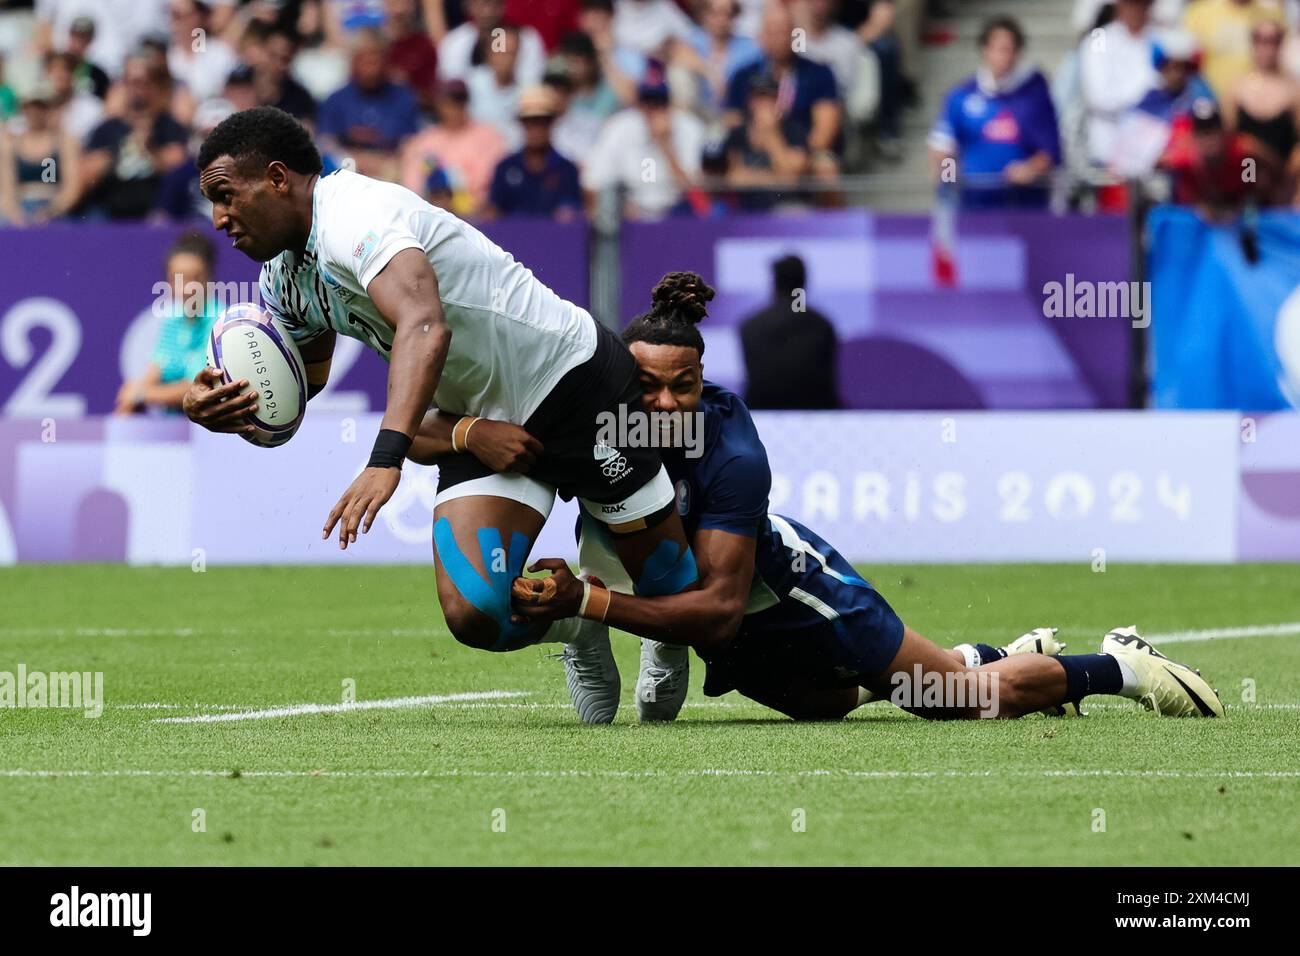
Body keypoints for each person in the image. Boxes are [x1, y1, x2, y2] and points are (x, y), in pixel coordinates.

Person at [504, 273, 1225, 725]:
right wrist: (463, 433)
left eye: (682, 386)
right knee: (822, 706)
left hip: (783, 593)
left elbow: (720, 609)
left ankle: (1119, 666)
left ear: (703, 379)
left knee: (963, 701)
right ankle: (985, 654)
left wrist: (588, 605)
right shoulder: (596, 409)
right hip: (713, 616)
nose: (663, 403)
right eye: (646, 386)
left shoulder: (731, 452)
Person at [185, 106, 700, 661]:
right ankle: (580, 626)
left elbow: (426, 324)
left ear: (278, 178)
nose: (217, 218)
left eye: (225, 195)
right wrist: (222, 405)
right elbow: (297, 388)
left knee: (672, 588)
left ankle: (652, 628)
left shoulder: (355, 214)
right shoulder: (284, 277)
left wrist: (387, 458)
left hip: (573, 382)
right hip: (479, 419)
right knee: (475, 613)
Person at [928, 16, 1060, 209]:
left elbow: (1052, 151)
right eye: (1000, 49)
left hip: (1023, 206)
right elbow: (943, 148)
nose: (1005, 57)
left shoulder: (1034, 95)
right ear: (985, 50)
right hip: (974, 206)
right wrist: (949, 179)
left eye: (1010, 50)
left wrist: (1030, 169)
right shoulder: (962, 96)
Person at [725, 1, 842, 177]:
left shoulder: (819, 73)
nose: (778, 38)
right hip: (754, 147)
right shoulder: (744, 75)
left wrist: (797, 157)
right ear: (761, 36)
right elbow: (733, 122)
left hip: (803, 151)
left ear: (795, 35)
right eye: (771, 31)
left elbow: (824, 132)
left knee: (826, 169)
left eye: (783, 31)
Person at [582, 59, 707, 219]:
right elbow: (593, 182)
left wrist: (665, 146)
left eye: (659, 102)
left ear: (669, 103)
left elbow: (697, 196)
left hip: (676, 217)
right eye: (647, 102)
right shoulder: (621, 127)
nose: (652, 110)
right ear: (639, 104)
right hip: (629, 218)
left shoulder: (689, 128)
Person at [115, 231, 221, 414]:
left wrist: (140, 394)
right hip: (173, 433)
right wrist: (129, 401)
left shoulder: (222, 321)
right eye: (177, 279)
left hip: (209, 432)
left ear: (209, 277)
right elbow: (154, 371)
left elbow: (197, 390)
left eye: (195, 278)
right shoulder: (173, 320)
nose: (187, 288)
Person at [74, 52, 188, 220]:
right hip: (110, 211)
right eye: (131, 82)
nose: (137, 89)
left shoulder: (168, 126)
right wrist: (117, 153)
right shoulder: (108, 129)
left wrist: (150, 150)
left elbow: (179, 165)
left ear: (154, 85)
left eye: (143, 82)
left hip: (156, 212)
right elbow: (85, 173)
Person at [316, 28, 421, 180]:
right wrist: (354, 160)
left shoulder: (403, 98)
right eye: (365, 60)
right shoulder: (336, 100)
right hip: (348, 170)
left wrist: (385, 163)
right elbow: (326, 142)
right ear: (353, 61)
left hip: (391, 172)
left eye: (375, 60)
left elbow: (410, 143)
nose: (371, 68)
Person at [739, 255, 838, 409]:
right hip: (814, 413)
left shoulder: (750, 326)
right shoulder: (822, 326)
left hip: (761, 414)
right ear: (804, 282)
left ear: (774, 282)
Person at [400, 78, 508, 216]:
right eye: (447, 102)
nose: (453, 107)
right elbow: (413, 184)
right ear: (438, 104)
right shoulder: (424, 141)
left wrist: (459, 200)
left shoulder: (489, 137)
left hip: (475, 215)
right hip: (432, 214)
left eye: (459, 101)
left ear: (467, 103)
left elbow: (492, 181)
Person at [1223, 17, 1300, 204]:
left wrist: (1287, 177)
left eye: (1272, 40)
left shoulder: (1294, 90)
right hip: (1249, 174)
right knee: (1248, 156)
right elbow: (1228, 139)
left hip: (1284, 174)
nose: (1266, 47)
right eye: (1259, 39)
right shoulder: (1237, 88)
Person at [485, 86, 583, 220]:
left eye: (543, 121)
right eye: (530, 122)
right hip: (509, 239)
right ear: (522, 124)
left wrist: (569, 214)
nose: (536, 128)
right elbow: (493, 212)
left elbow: (572, 211)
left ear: (552, 123)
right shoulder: (505, 168)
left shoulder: (567, 169)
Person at [1184, 0, 1286, 101]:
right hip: (1208, 103)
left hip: (1258, 105)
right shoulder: (1200, 11)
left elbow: (1283, 61)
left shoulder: (1273, 12)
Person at [438, 0, 546, 86]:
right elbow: (452, 88)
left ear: (504, 5)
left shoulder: (527, 39)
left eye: (494, 3)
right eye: (481, 4)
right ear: (468, 5)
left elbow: (531, 86)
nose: (488, 12)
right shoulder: (454, 42)